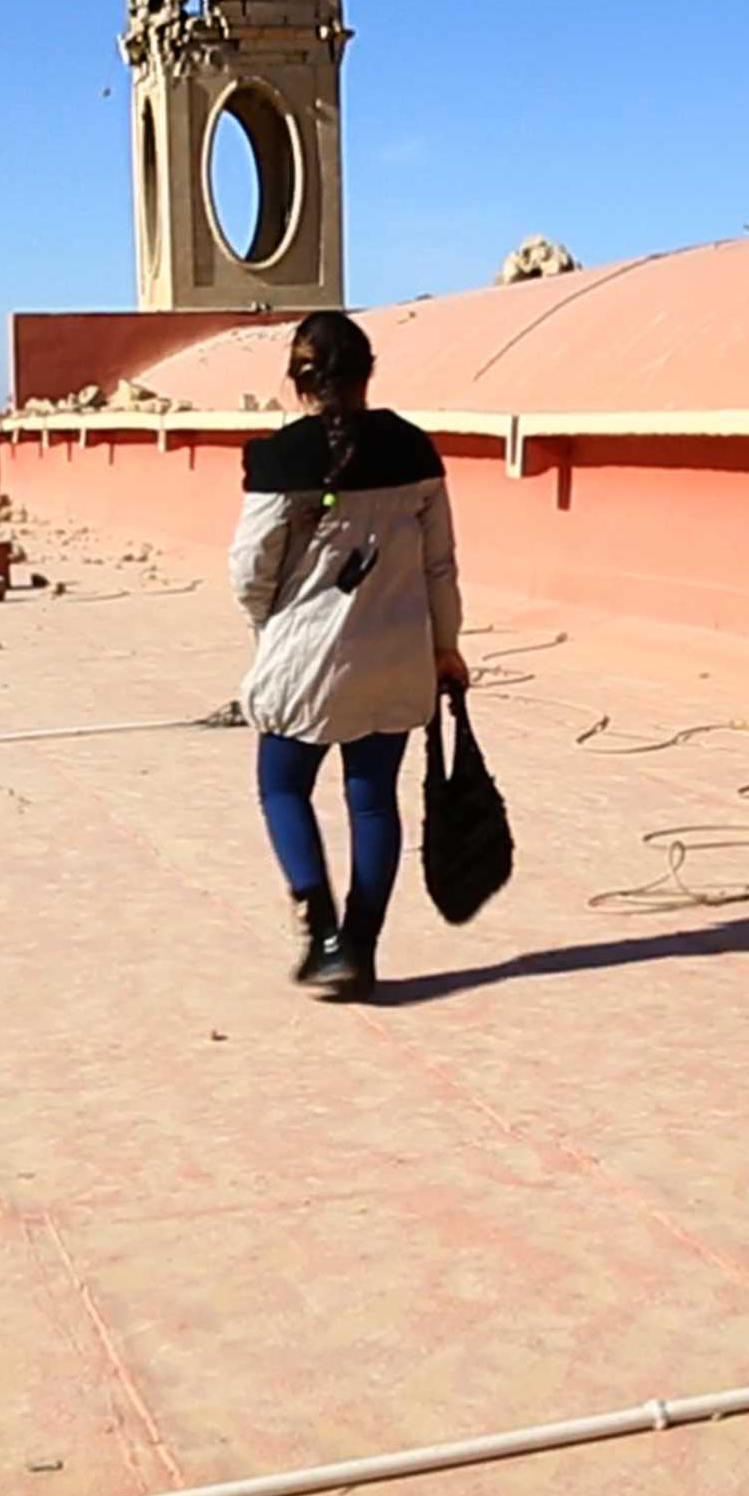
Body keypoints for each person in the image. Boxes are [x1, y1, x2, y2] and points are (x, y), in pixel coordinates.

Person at [230, 311, 469, 1000]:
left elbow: (250, 568)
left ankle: (322, 932)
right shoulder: (416, 452)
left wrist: (267, 626)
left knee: (282, 786)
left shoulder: (278, 460)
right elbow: (440, 566)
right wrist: (446, 647)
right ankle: (360, 946)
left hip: (306, 655)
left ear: (299, 380)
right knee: (373, 802)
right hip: (397, 655)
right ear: (368, 373)